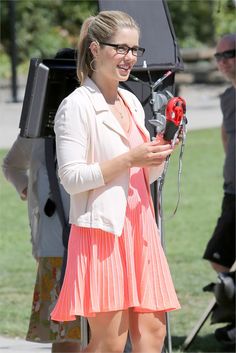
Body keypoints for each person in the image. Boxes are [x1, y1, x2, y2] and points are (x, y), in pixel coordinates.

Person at [50, 10, 180, 353]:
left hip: (140, 227)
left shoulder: (132, 101)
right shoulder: (76, 106)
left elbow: (142, 176)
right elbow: (71, 178)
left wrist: (158, 155)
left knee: (153, 334)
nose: (130, 58)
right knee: (109, 342)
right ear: (95, 49)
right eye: (121, 48)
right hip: (102, 234)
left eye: (135, 50)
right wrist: (130, 159)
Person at [2, 49, 81, 353]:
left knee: (93, 331)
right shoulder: (34, 133)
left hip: (89, 239)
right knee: (65, 333)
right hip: (52, 244)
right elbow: (10, 165)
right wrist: (27, 189)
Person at [202, 33, 236, 345]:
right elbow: (227, 139)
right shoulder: (227, 97)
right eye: (218, 56)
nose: (223, 61)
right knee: (219, 256)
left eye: (230, 54)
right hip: (233, 191)